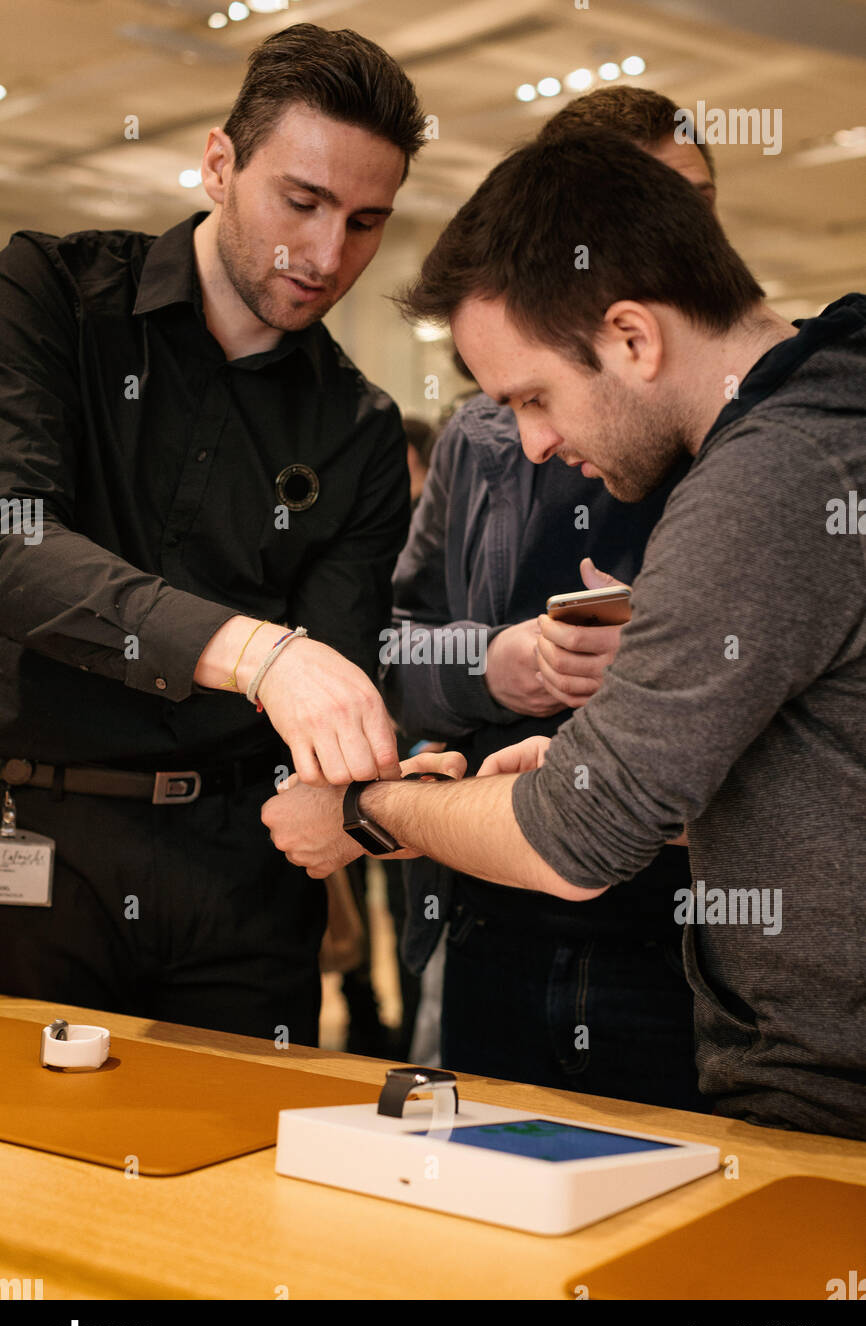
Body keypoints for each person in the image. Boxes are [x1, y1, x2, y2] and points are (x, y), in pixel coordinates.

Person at [263, 129, 866, 1140]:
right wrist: (593, 767)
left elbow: (576, 841)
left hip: (821, 1095)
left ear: (631, 335)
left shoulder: (764, 481)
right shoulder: (827, 411)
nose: (535, 442)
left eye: (535, 397)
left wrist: (372, 810)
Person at [0, 23, 426, 1041]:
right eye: (304, 202)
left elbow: (337, 675)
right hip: (38, 843)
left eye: (367, 220)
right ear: (219, 164)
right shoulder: (48, 298)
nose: (328, 256)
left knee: (239, 1177)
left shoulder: (360, 428)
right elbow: (14, 543)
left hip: (245, 872)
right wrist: (258, 654)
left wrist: (376, 786)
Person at [380, 88, 718, 1109]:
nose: (678, 248)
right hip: (496, 915)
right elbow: (392, 653)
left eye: (692, 208)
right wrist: (495, 664)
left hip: (699, 943)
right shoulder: (482, 444)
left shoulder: (751, 447)